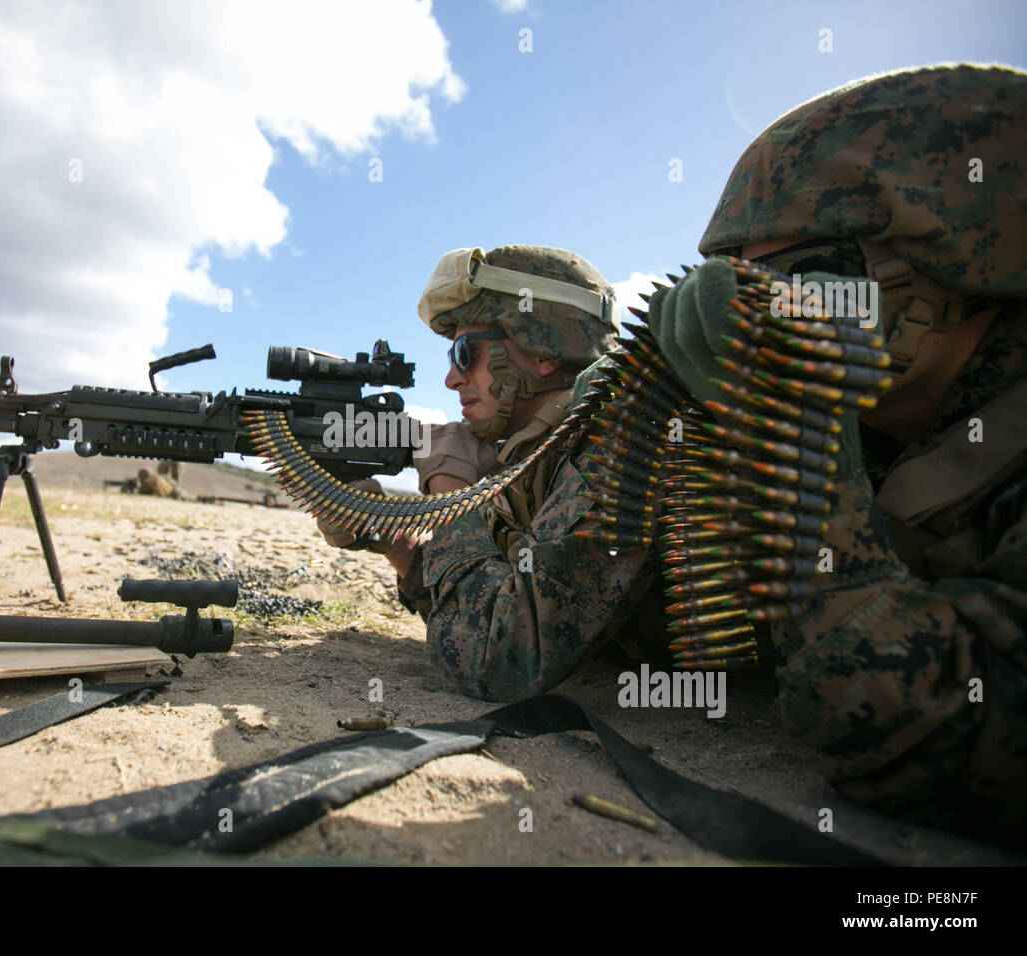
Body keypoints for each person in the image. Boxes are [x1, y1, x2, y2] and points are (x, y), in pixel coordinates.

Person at [648, 63, 1026, 839]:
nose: (750, 318)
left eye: (797, 280)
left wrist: (799, 458)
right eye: (740, 286)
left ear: (954, 268)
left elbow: (941, 742)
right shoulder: (892, 434)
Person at [317, 245, 661, 699]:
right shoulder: (538, 457)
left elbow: (497, 657)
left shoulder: (616, 443)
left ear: (543, 349)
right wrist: (397, 543)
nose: (453, 379)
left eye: (466, 352)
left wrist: (448, 493)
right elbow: (485, 601)